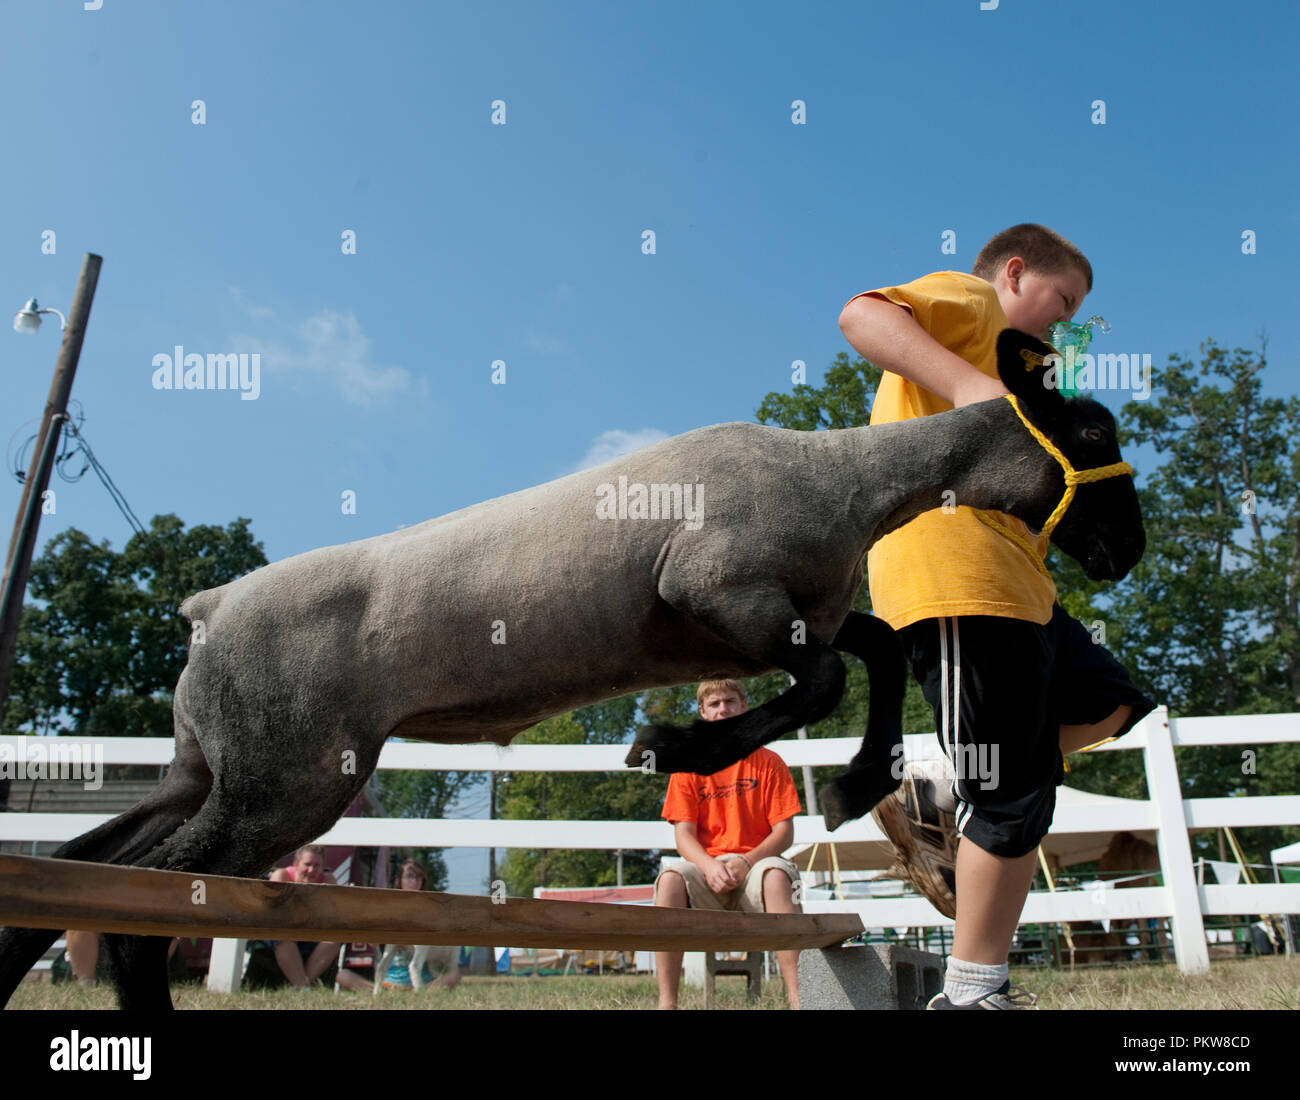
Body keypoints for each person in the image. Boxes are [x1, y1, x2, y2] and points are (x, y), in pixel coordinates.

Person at [837, 224, 1156, 1009]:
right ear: (1016, 274)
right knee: (1016, 793)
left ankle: (945, 783)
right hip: (954, 570)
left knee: (1113, 703)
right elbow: (861, 316)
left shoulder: (1035, 373)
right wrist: (967, 385)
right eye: (1063, 300)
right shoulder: (975, 302)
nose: (1066, 320)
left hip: (1025, 588)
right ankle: (975, 993)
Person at [654, 679, 804, 1009]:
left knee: (778, 874)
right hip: (707, 872)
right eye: (715, 704)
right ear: (703, 712)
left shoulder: (768, 761)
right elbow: (683, 836)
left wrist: (746, 861)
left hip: (756, 871)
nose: (723, 709)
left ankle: (798, 1000)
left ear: (743, 706)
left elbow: (784, 833)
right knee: (669, 880)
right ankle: (667, 1003)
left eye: (730, 701)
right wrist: (709, 866)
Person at [255, 844, 345, 989]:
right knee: (283, 936)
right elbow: (271, 912)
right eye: (307, 864)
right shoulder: (282, 876)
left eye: (317, 865)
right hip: (280, 931)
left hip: (310, 933)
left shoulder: (328, 880)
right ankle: (303, 987)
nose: (311, 870)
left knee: (333, 939)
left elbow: (334, 915)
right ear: (296, 864)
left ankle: (301, 987)